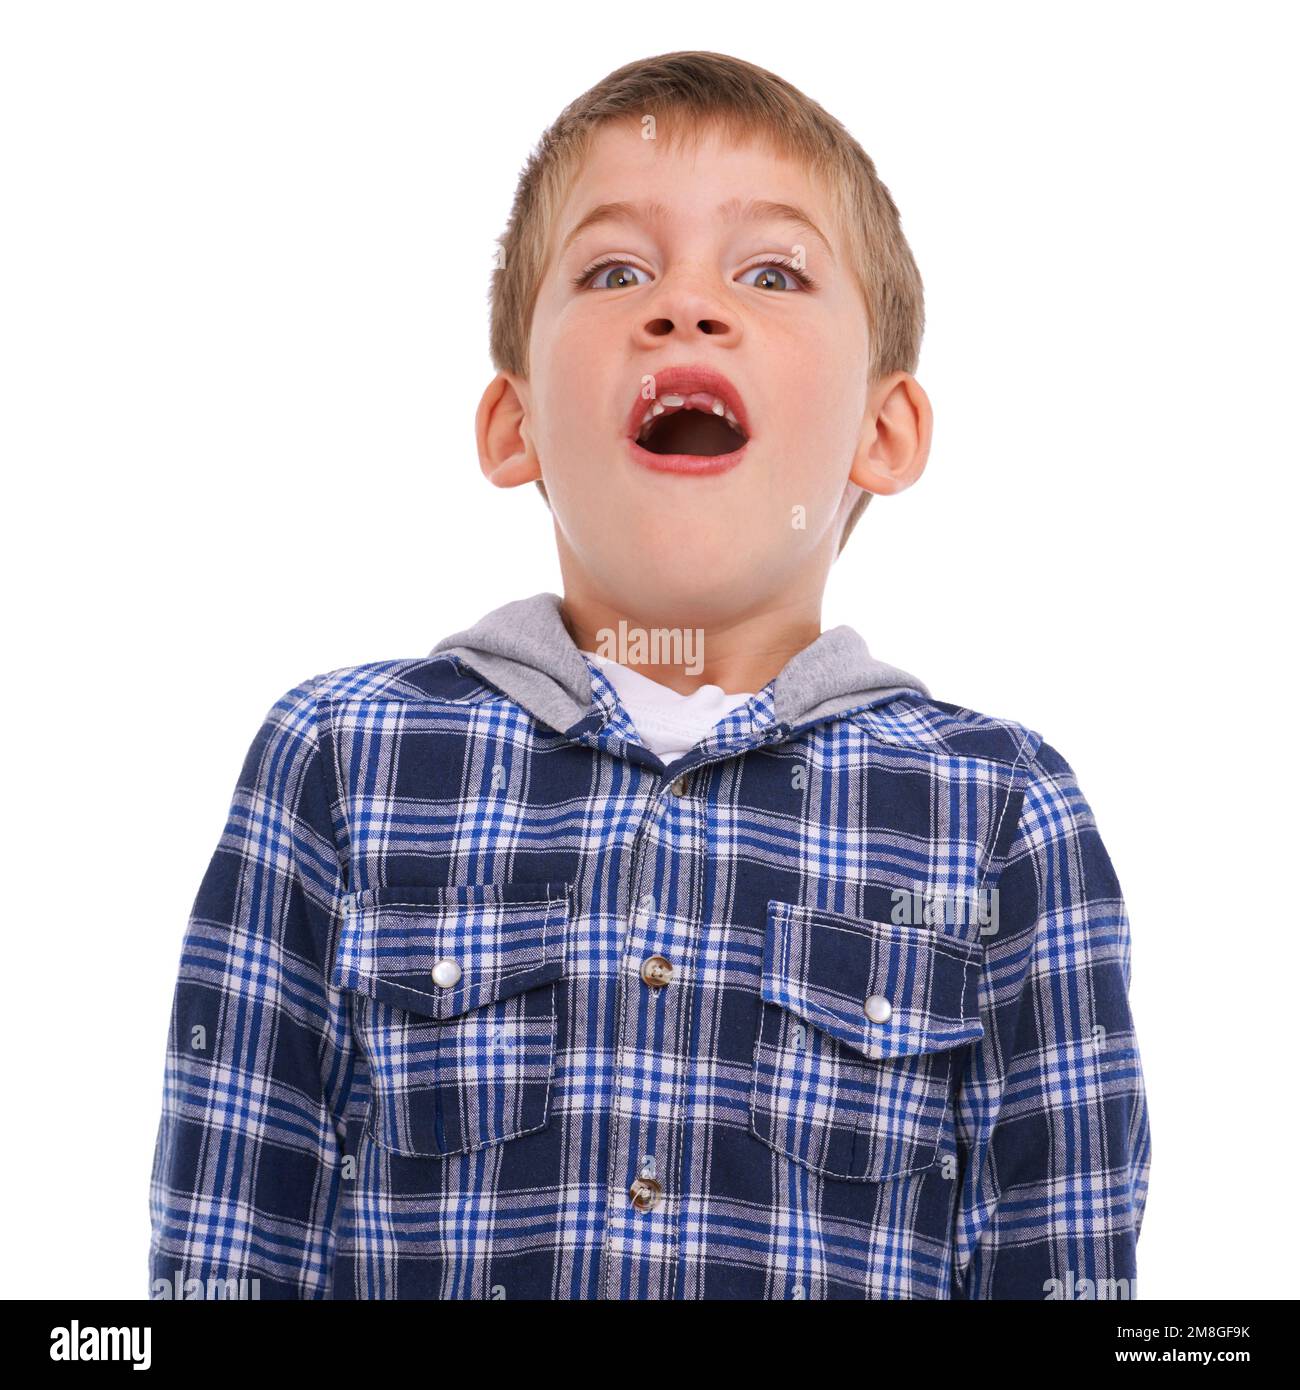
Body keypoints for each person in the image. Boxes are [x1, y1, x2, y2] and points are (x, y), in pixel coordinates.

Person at [148, 49, 1151, 1300]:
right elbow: (227, 1238)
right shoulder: (342, 761)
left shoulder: (1001, 811)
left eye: (770, 273)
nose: (685, 307)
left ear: (882, 432)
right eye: (617, 271)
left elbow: (1064, 1258)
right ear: (513, 425)